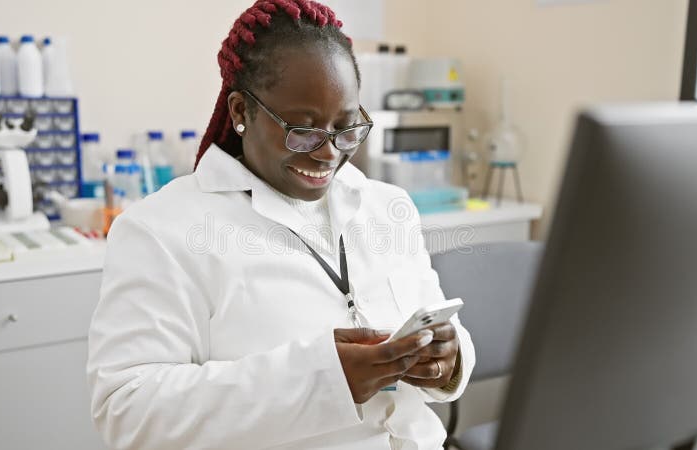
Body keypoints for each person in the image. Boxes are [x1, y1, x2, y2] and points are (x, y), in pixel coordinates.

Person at [87, 1, 475, 448]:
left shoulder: (387, 206)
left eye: (346, 128)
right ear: (240, 112)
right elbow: (128, 411)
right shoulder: (161, 230)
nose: (328, 153)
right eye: (303, 130)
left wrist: (448, 359)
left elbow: (438, 320)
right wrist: (324, 381)